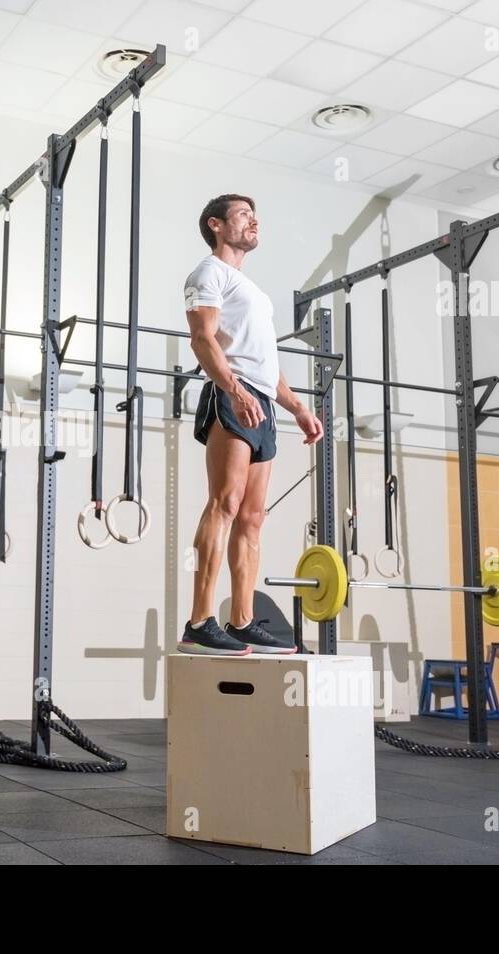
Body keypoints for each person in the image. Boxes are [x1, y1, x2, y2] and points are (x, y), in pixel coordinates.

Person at [180, 194, 324, 656]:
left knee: (253, 518)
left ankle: (241, 622)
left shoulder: (255, 293)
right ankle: (200, 622)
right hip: (233, 394)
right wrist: (235, 391)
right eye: (243, 215)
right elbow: (203, 341)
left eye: (254, 214)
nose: (253, 221)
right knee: (224, 503)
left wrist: (298, 407)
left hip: (261, 401)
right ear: (216, 225)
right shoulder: (208, 273)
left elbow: (266, 362)